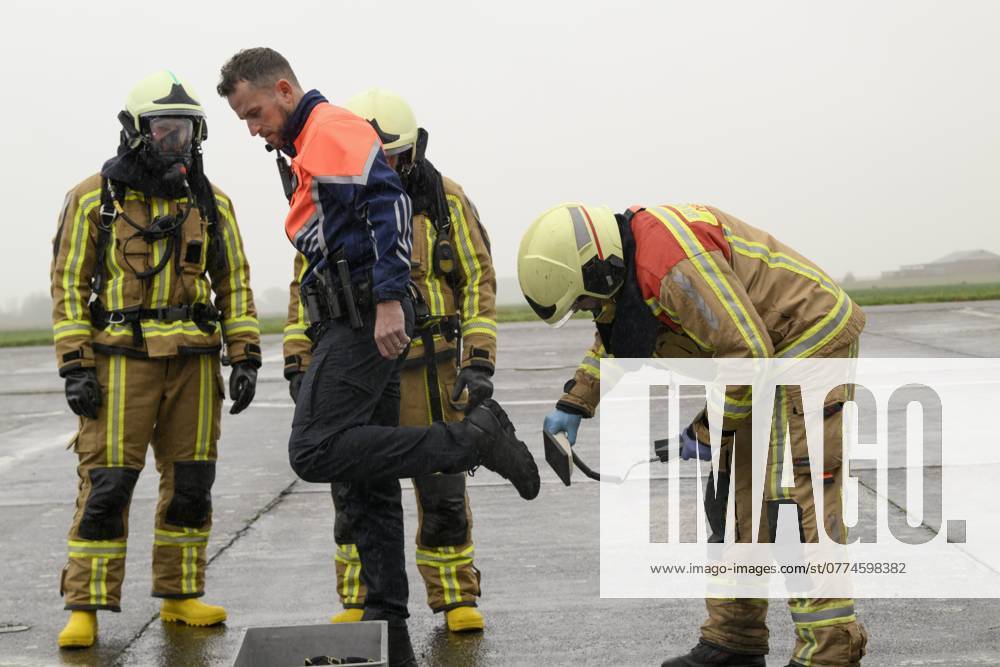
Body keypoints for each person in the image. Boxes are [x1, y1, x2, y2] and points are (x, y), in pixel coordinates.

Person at [218, 48, 538, 665]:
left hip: (363, 316)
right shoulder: (307, 143)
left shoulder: (328, 130)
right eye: (244, 120)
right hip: (348, 314)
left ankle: (473, 440)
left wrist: (390, 300)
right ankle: (386, 612)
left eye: (254, 113)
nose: (253, 129)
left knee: (312, 450)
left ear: (283, 90)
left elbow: (388, 201)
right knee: (367, 475)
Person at [518, 202, 868, 667]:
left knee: (791, 499)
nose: (588, 311)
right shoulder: (625, 274)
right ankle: (734, 640)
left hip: (806, 340)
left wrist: (706, 432)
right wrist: (575, 401)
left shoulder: (671, 265)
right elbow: (616, 338)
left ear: (598, 268)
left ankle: (829, 651)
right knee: (734, 498)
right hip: (762, 357)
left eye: (584, 302)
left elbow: (747, 353)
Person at [51, 70, 261, 649]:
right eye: (165, 129)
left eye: (186, 131)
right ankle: (85, 606)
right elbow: (69, 285)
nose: (176, 142)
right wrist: (75, 365)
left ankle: (180, 594)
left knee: (192, 483)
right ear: (136, 130)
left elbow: (235, 283)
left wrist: (245, 355)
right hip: (120, 363)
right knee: (107, 484)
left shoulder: (211, 203)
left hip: (194, 363)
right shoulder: (94, 199)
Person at [282, 88, 497, 633]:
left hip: (431, 368)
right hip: (360, 369)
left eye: (398, 159)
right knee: (354, 487)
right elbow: (306, 288)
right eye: (383, 159)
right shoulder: (335, 199)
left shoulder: (446, 201)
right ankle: (362, 598)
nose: (391, 170)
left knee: (443, 488)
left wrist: (478, 360)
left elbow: (477, 280)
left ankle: (454, 595)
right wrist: (298, 359)